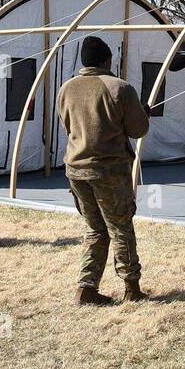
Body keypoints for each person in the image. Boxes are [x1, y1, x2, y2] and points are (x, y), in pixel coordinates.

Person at [57, 36, 151, 306]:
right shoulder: (120, 88)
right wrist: (143, 114)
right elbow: (138, 129)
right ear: (107, 59)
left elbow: (69, 127)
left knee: (95, 228)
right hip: (109, 171)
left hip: (75, 170)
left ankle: (86, 288)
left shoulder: (66, 89)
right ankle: (132, 288)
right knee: (121, 227)